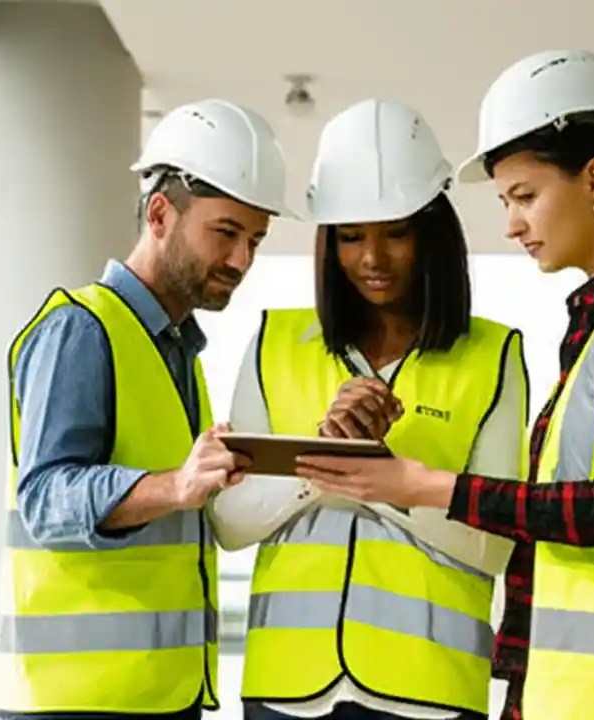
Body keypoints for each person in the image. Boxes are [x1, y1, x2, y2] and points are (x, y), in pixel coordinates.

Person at [294, 50, 594, 720]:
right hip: (582, 696)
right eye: (505, 201)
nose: (512, 223)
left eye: (525, 197)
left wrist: (425, 487)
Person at [210, 98, 530, 720]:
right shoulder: (275, 343)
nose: (371, 259)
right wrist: (319, 456)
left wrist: (386, 480)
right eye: (350, 237)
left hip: (430, 693)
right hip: (287, 691)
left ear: (433, 233)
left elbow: (496, 548)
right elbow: (229, 524)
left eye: (397, 234)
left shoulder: (494, 356)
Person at [0, 98, 297, 719]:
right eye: (225, 233)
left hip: (155, 697)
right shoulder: (81, 330)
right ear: (159, 214)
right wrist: (176, 484)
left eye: (255, 240)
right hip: (70, 703)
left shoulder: (179, 353)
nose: (242, 261)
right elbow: (45, 496)